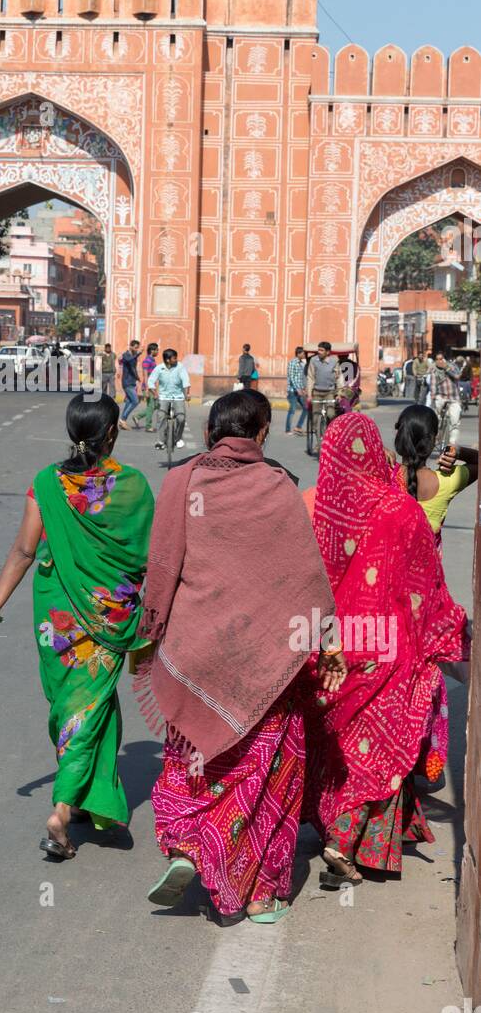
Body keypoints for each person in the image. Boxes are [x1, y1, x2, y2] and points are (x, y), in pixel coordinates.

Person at [136, 389, 337, 924]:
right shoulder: (279, 488)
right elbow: (303, 577)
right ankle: (263, 893)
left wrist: (149, 630)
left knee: (195, 761)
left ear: (209, 434)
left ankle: (186, 847)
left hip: (196, 651)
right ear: (263, 433)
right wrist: (325, 637)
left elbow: (163, 566)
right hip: (264, 662)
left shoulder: (181, 482)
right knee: (268, 770)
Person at [0, 393, 154, 858]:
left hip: (55, 620)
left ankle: (87, 802)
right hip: (109, 617)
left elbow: (23, 551)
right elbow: (148, 557)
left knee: (74, 707)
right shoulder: (133, 486)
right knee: (86, 710)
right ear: (112, 432)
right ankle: (61, 809)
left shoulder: (46, 484)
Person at [300, 412, 468, 887]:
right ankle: (346, 839)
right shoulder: (403, 509)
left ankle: (332, 826)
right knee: (380, 746)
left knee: (341, 742)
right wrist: (449, 634)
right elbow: (429, 590)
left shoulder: (321, 511)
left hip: (334, 647)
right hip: (391, 650)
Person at [391, 404, 478, 543]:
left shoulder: (384, 472)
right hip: (427, 564)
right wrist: (458, 451)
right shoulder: (447, 481)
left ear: (399, 436)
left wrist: (381, 451)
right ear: (434, 439)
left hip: (385, 564)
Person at [148, 348, 191, 451]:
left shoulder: (180, 367)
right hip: (163, 396)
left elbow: (186, 381)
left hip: (178, 396)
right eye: (174, 358)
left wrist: (186, 394)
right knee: (161, 416)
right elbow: (151, 381)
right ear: (167, 360)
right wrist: (155, 394)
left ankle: (178, 438)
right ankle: (161, 441)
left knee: (181, 418)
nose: (176, 360)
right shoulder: (159, 368)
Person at [426, 351, 462, 447]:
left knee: (455, 420)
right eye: (437, 359)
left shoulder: (452, 367)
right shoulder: (434, 370)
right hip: (441, 397)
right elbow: (433, 386)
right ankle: (436, 436)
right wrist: (433, 397)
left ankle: (452, 443)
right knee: (435, 417)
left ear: (444, 359)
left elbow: (457, 376)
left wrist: (446, 368)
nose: (439, 361)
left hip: (454, 398)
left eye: (441, 359)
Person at [305, 340, 339, 435]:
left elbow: (339, 377)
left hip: (329, 393)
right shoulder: (313, 360)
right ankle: (318, 437)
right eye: (318, 349)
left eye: (321, 350)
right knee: (315, 417)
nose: (319, 352)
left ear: (328, 352)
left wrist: (340, 393)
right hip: (317, 392)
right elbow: (310, 377)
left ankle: (329, 431)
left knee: (331, 414)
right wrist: (309, 395)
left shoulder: (334, 361)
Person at [118, 339, 141, 429]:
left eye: (137, 348)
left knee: (129, 401)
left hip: (132, 381)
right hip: (127, 381)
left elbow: (133, 368)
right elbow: (128, 360)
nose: (136, 349)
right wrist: (138, 354)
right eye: (135, 347)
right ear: (131, 346)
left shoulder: (133, 356)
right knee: (135, 401)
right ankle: (123, 419)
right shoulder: (126, 355)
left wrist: (137, 377)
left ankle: (123, 421)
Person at [136, 343, 160, 430]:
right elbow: (145, 376)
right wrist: (146, 389)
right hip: (149, 387)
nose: (158, 351)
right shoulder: (147, 361)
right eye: (157, 350)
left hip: (153, 387)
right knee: (151, 406)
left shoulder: (153, 361)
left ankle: (138, 417)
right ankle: (148, 426)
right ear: (152, 351)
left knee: (157, 405)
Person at [286, 345, 306, 435]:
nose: (304, 355)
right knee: (292, 410)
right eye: (303, 353)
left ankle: (298, 426)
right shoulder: (292, 363)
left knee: (306, 408)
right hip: (292, 391)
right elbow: (292, 377)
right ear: (298, 353)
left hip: (300, 390)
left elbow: (301, 378)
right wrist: (297, 389)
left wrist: (303, 388)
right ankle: (288, 430)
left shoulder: (302, 363)